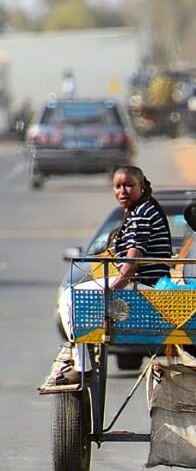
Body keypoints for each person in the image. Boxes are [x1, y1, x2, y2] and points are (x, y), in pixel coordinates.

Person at [44, 166, 172, 388]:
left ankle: (83, 368)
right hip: (139, 284)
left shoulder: (142, 213)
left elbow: (132, 259)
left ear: (142, 186)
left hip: (144, 285)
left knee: (70, 298)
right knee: (76, 300)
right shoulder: (139, 210)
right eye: (118, 186)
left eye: (129, 185)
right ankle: (80, 358)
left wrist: (113, 286)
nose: (123, 191)